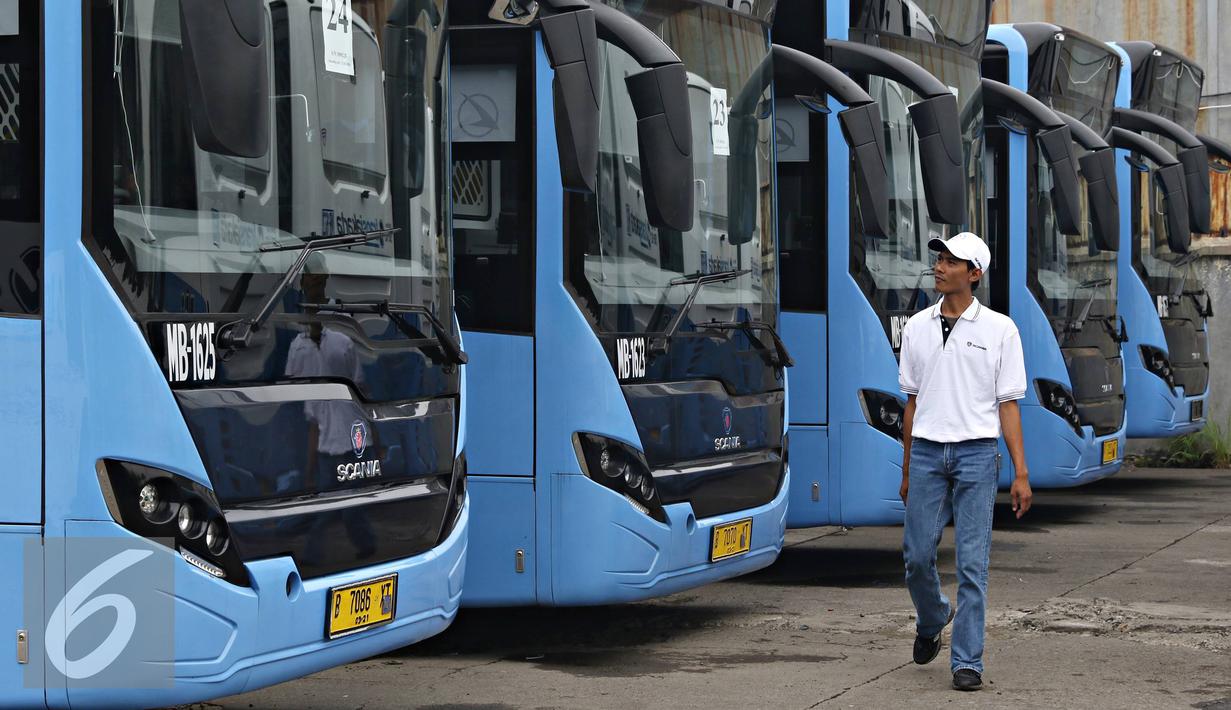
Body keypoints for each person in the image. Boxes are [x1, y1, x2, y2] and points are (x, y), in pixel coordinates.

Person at [897, 232, 1031, 691]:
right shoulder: (916, 326)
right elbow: (911, 403)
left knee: (974, 565)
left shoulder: (1000, 330)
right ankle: (933, 616)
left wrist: (1021, 473)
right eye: (938, 258)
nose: (939, 266)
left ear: (974, 273)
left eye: (951, 261)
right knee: (916, 557)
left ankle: (967, 661)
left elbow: (1008, 405)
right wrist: (907, 466)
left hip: (977, 454)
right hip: (929, 453)